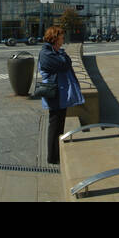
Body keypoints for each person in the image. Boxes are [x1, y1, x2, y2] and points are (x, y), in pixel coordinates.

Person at [39, 25, 85, 165]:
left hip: (60, 93)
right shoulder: (46, 52)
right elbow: (64, 64)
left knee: (60, 123)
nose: (63, 39)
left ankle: (57, 152)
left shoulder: (55, 51)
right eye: (61, 36)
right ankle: (52, 157)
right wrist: (64, 57)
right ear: (55, 37)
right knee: (55, 124)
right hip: (54, 93)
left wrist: (64, 57)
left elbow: (66, 62)